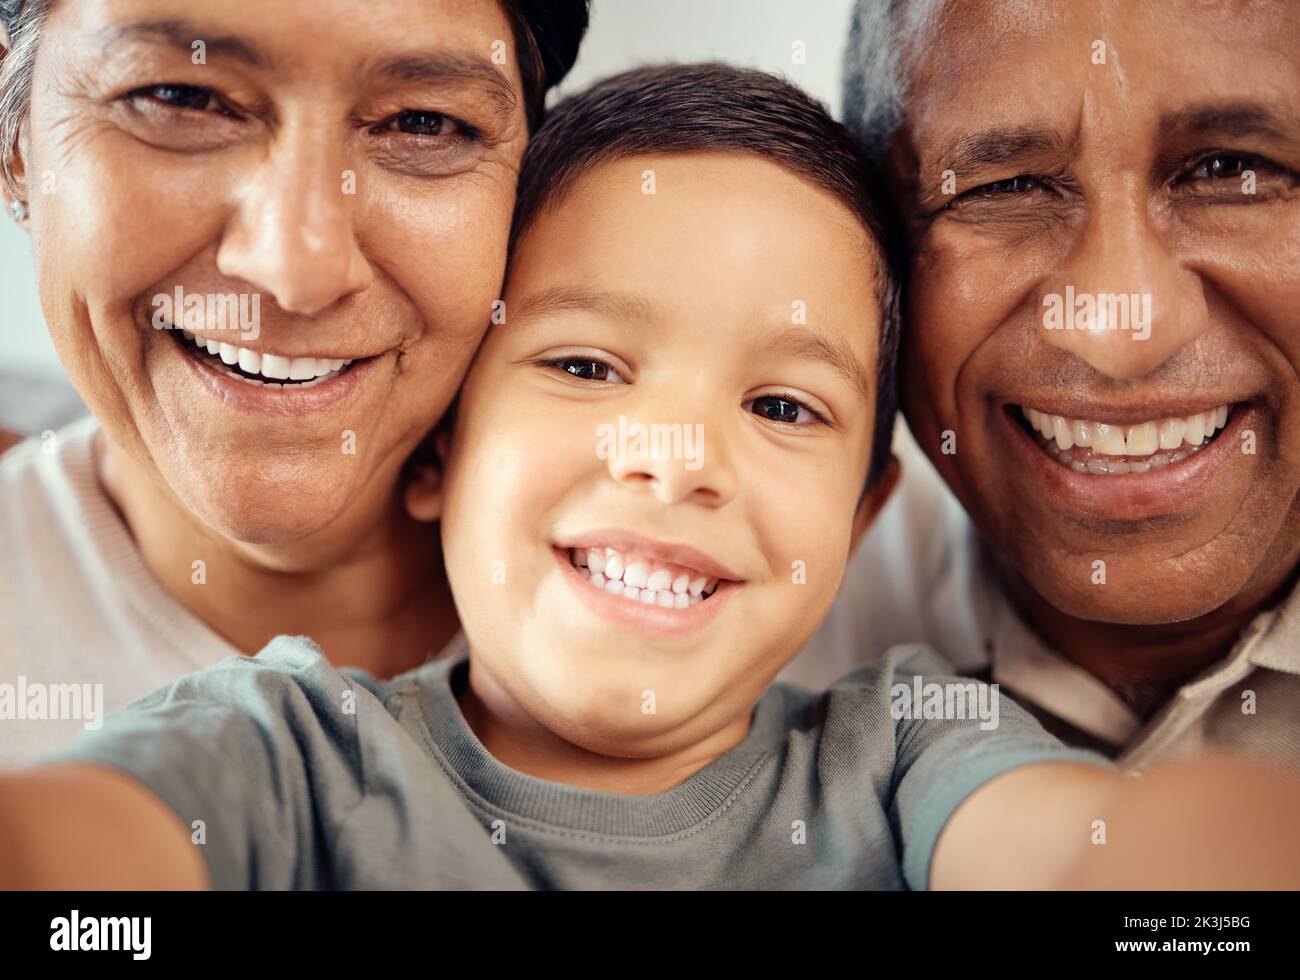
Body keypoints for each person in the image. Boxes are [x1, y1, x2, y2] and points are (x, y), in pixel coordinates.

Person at [5, 64, 1300, 891]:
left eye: (783, 404)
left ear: (861, 518)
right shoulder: (284, 750)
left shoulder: (904, 748)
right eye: (584, 367)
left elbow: (1069, 854)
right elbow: (94, 843)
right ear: (436, 454)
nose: (677, 460)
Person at [0, 0, 588, 764]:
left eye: (422, 123)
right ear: (15, 141)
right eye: (182, 98)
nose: (298, 272)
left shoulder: (767, 659)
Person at [795, 0, 1300, 775]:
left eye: (1229, 171)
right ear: (875, 249)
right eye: (1007, 186)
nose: (1121, 332)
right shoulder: (741, 652)